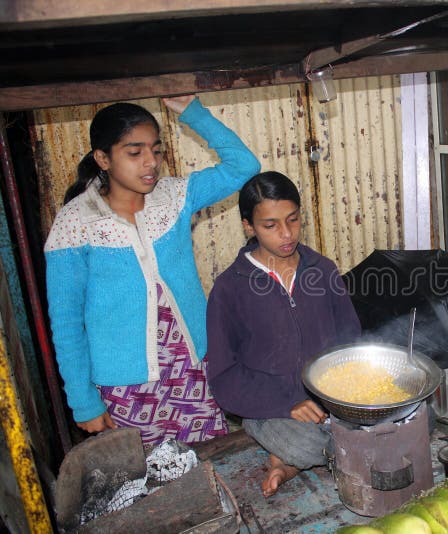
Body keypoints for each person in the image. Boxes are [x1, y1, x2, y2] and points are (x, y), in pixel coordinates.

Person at [45, 95, 261, 445]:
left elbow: (243, 166)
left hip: (191, 368)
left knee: (204, 463)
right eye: (135, 152)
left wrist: (194, 113)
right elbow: (66, 321)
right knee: (145, 478)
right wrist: (83, 402)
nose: (150, 163)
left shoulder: (175, 197)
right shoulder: (75, 223)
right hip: (125, 386)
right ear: (103, 158)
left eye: (156, 150)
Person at [205, 171, 361, 498]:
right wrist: (288, 403)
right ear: (249, 226)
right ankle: (290, 458)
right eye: (270, 225)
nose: (287, 234)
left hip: (330, 401)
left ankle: (284, 464)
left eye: (293, 220)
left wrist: (348, 398)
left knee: (412, 418)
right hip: (272, 406)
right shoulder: (230, 288)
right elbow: (225, 376)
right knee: (307, 444)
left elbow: (350, 341)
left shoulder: (323, 270)